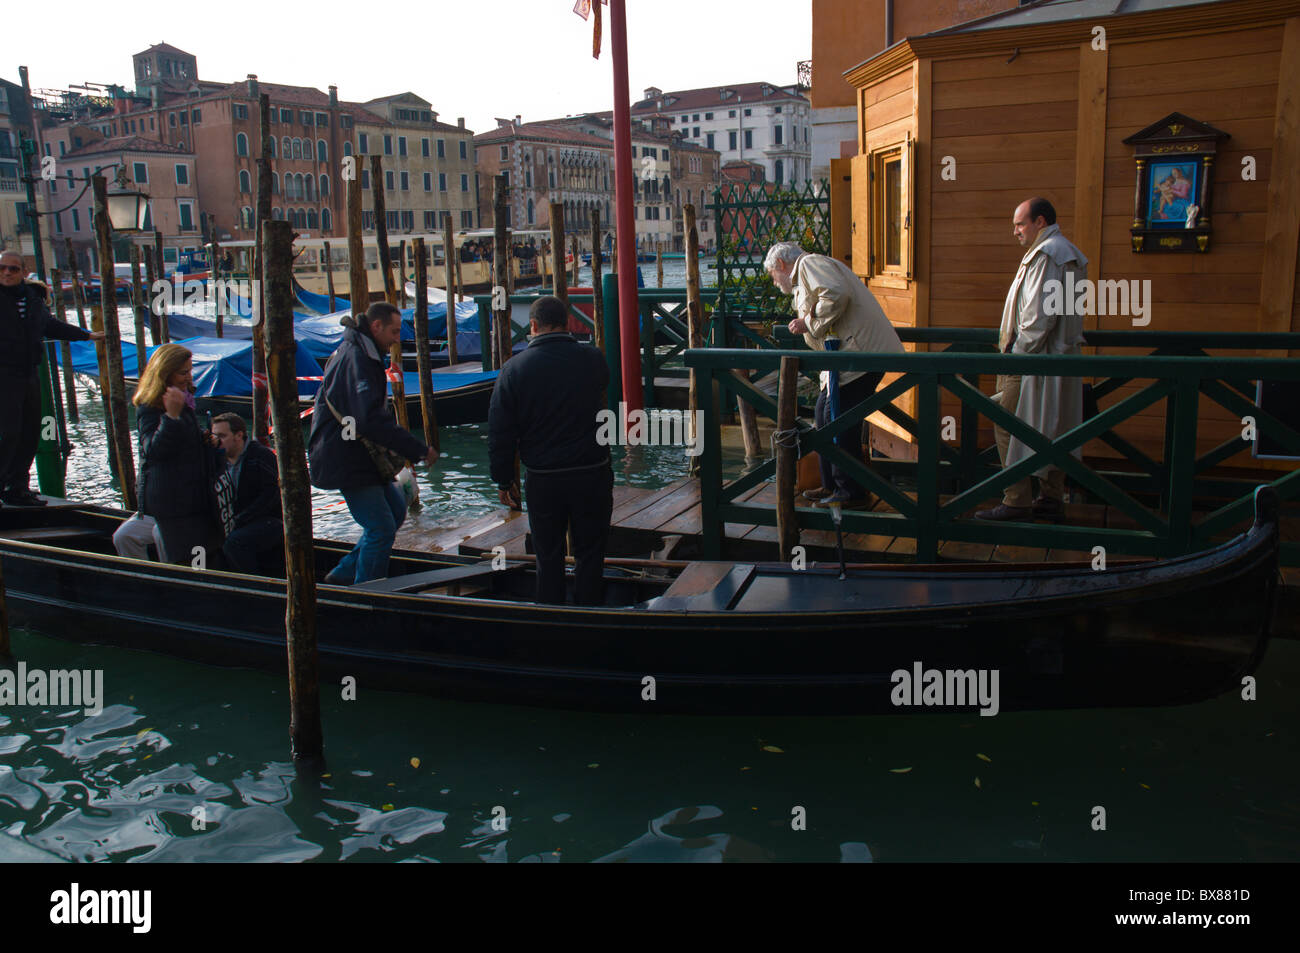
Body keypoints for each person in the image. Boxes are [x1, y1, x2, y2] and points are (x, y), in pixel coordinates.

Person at [488, 295, 611, 605]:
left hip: (544, 478)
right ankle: (591, 615)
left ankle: (550, 613)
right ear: (568, 322)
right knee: (591, 553)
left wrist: (504, 480)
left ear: (532, 326)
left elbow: (501, 433)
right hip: (591, 472)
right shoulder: (593, 359)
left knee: (548, 554)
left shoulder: (513, 370)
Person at [764, 241, 904, 509]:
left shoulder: (808, 264)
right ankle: (831, 485)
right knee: (822, 414)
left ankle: (850, 492)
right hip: (846, 361)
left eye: (773, 275)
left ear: (780, 265)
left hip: (860, 356)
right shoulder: (808, 271)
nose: (775, 282)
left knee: (837, 420)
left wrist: (807, 321)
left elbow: (836, 295)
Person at [308, 302, 437, 585]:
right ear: (376, 326)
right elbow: (369, 419)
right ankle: (367, 592)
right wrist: (416, 449)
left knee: (395, 511)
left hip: (360, 453)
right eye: (393, 332)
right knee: (380, 529)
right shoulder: (358, 357)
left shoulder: (362, 351)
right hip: (343, 455)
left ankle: (339, 576)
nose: (396, 339)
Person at [976, 197, 1087, 522]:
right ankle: (1051, 498)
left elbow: (1038, 319)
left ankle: (1016, 500)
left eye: (1020, 224)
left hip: (1034, 360)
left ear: (1040, 222)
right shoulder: (1068, 254)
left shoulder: (1047, 255)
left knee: (1006, 422)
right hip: (1058, 359)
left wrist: (1017, 360)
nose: (1015, 231)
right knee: (1053, 429)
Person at [0, 251, 102, 506]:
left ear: (24, 271)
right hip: (3, 374)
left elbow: (51, 326)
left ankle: (17, 488)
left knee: (30, 431)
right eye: (2, 268)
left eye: (13, 269)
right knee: (7, 433)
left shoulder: (34, 299)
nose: (7, 273)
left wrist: (86, 336)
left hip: (28, 373)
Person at [133, 343, 226, 565]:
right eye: (183, 373)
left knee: (206, 552)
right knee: (190, 557)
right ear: (165, 374)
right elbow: (152, 452)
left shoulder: (184, 401)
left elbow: (184, 446)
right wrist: (171, 418)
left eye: (190, 371)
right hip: (174, 503)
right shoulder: (150, 406)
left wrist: (208, 442)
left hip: (195, 497)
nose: (189, 378)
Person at [211, 412, 283, 574]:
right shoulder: (217, 460)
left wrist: (240, 519)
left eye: (222, 436)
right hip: (235, 521)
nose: (217, 441)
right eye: (215, 436)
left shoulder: (260, 456)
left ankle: (252, 585)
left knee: (234, 542)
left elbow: (270, 496)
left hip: (269, 520)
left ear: (239, 435)